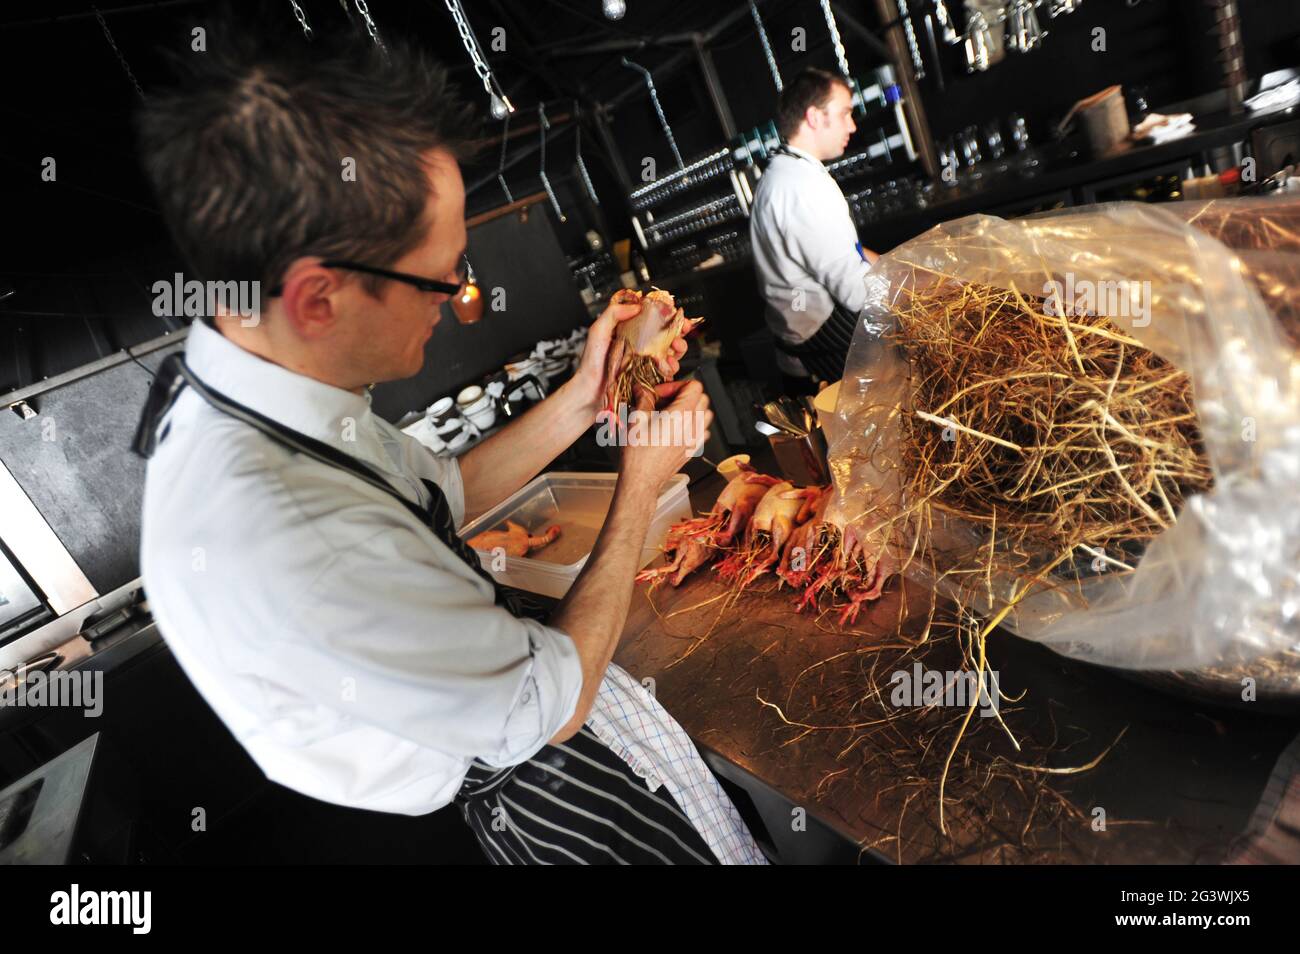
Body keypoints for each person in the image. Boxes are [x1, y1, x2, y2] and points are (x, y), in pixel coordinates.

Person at [133, 34, 766, 865]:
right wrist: (643, 478)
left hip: (528, 701)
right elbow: (549, 704)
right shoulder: (293, 530)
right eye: (440, 276)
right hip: (542, 772)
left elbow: (442, 491)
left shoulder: (258, 383)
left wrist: (582, 398)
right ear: (318, 298)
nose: (457, 297)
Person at [749, 67, 879, 396]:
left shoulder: (784, 173)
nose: (852, 125)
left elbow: (850, 253)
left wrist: (897, 264)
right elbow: (856, 291)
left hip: (799, 336)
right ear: (815, 117)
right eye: (845, 113)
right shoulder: (802, 187)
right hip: (823, 345)